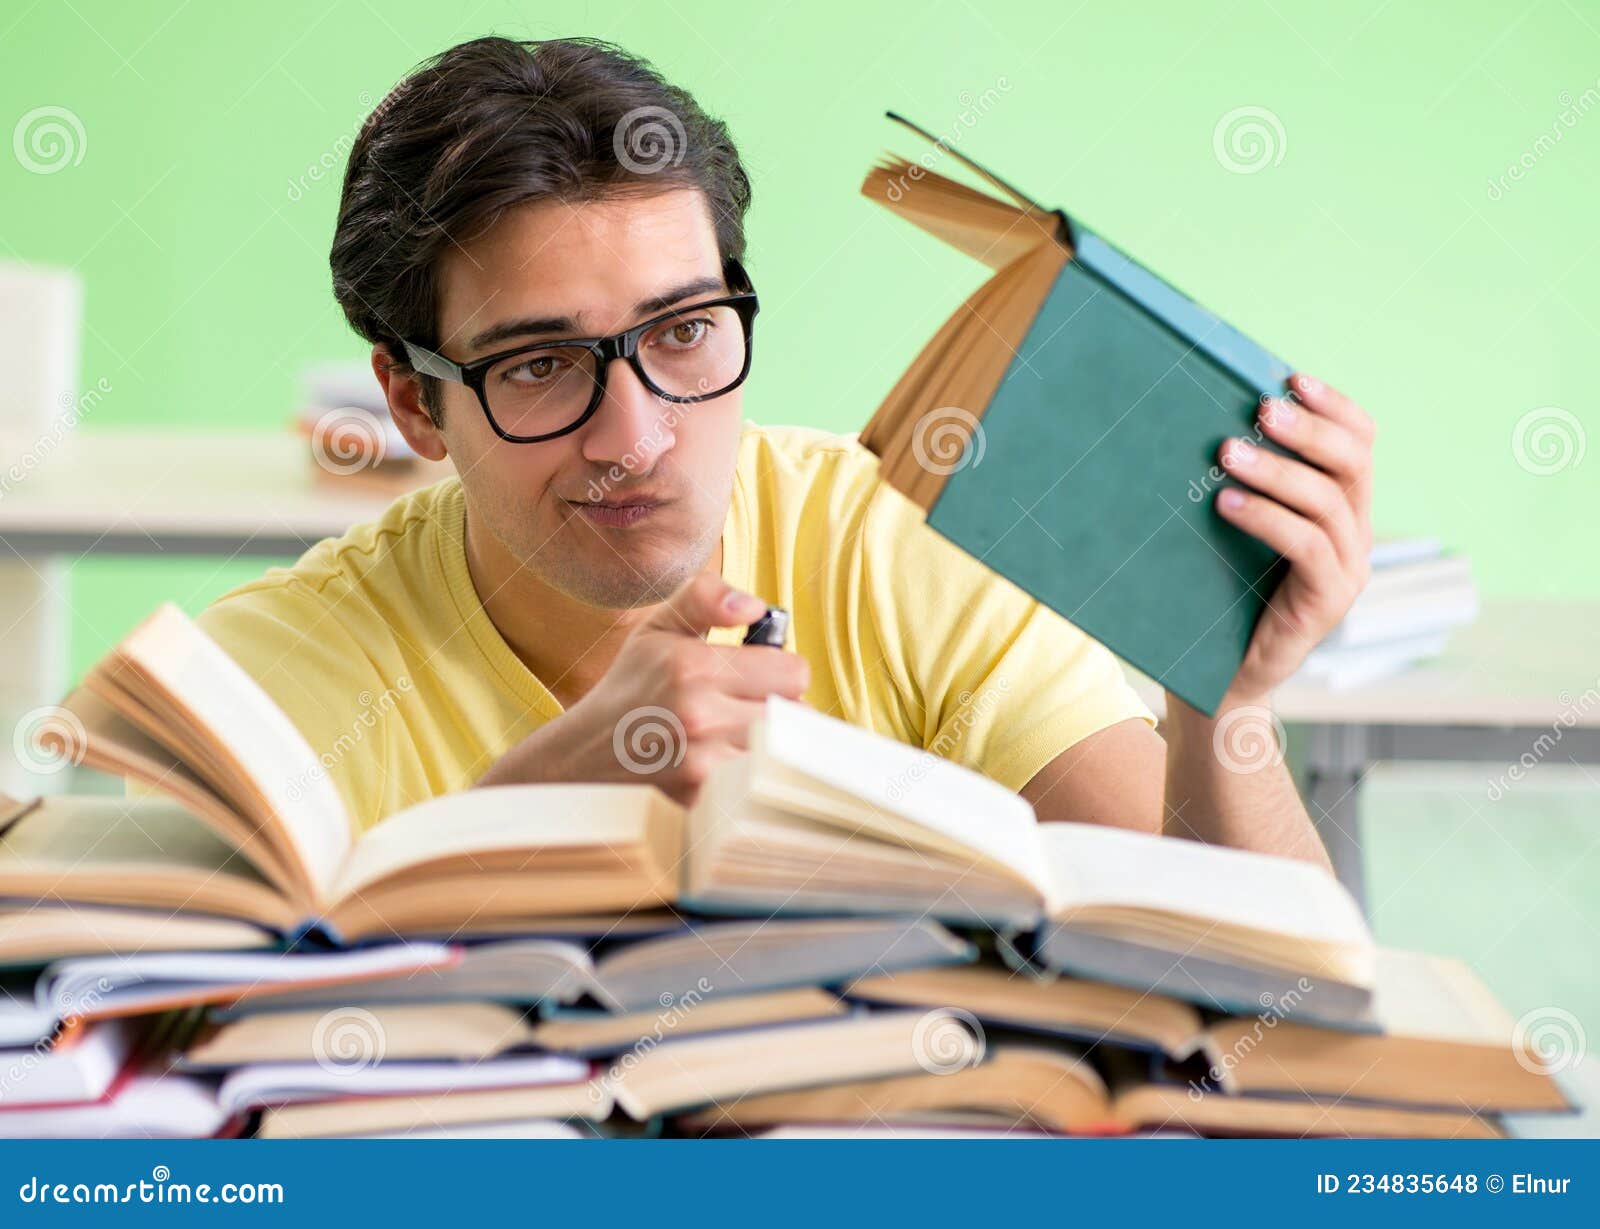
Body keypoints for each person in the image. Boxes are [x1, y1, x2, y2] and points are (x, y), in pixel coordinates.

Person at [200, 36, 1375, 868]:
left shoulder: (900, 542)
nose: (639, 435)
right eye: (540, 365)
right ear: (413, 403)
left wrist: (1224, 694)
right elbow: (126, 1076)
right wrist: (522, 826)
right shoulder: (268, 678)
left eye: (684, 331)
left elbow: (1257, 1023)